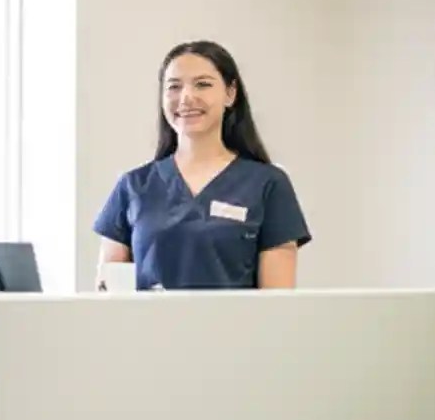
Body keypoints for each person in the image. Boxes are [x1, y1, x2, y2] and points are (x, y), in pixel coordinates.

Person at [93, 40, 311, 290]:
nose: (186, 97)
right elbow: (108, 297)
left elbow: (277, 304)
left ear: (230, 94)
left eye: (203, 84)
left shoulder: (268, 185)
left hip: (235, 329)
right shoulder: (132, 187)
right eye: (174, 87)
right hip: (148, 329)